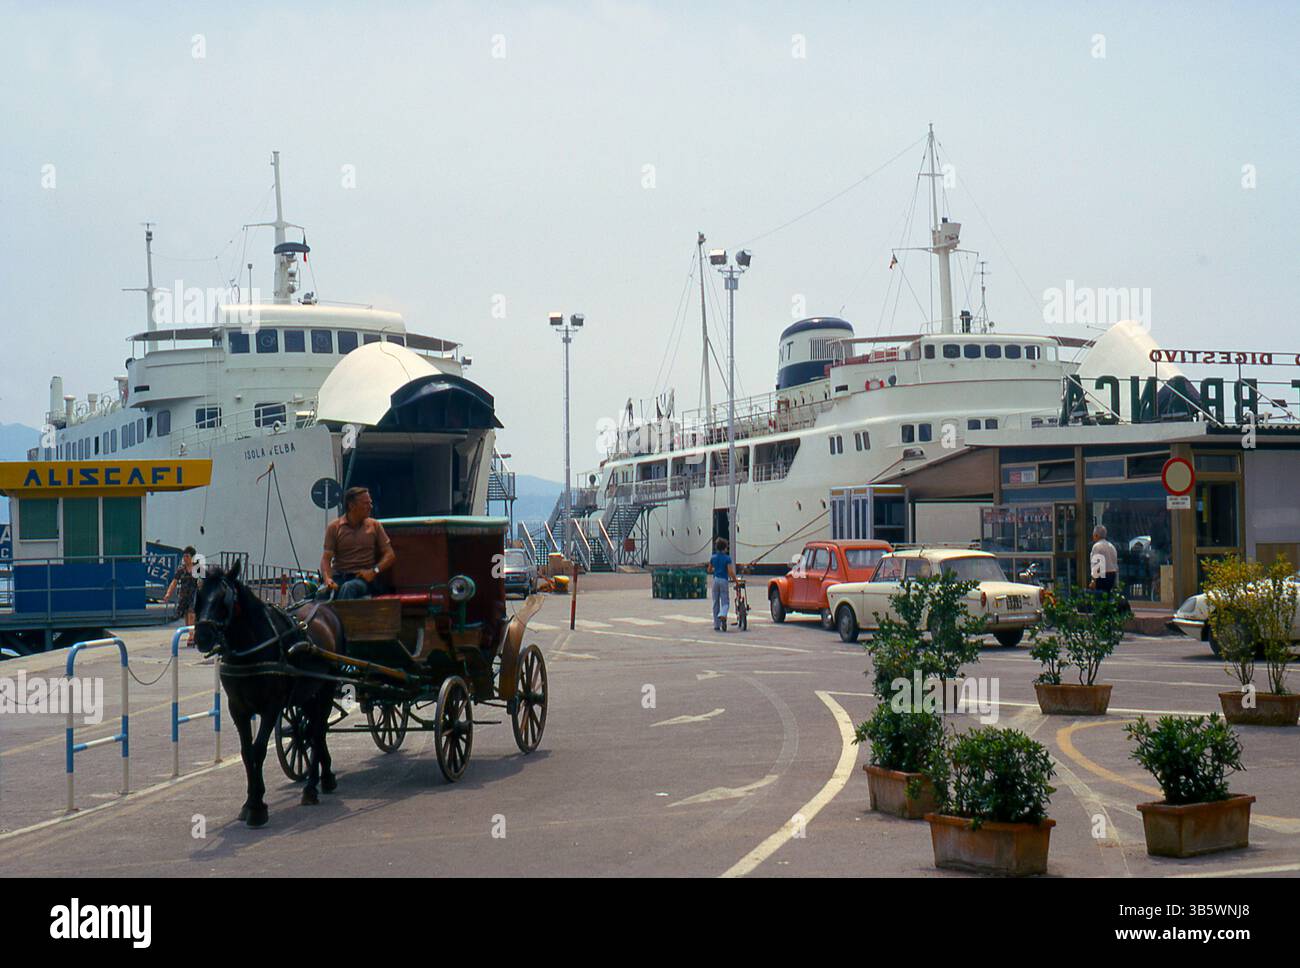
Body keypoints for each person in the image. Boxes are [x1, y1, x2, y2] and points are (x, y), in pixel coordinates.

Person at [321, 487, 396, 599]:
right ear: (352, 506)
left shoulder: (374, 525)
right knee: (318, 596)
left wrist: (373, 571)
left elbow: (390, 555)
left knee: (348, 588)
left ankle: (344, 617)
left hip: (363, 579)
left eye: (370, 503)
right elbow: (326, 558)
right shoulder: (334, 527)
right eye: (365, 503)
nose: (370, 507)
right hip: (339, 577)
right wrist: (327, 579)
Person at [162, 546, 199, 647]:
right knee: (187, 616)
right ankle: (191, 634)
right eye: (184, 556)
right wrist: (168, 594)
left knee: (192, 613)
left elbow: (204, 582)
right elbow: (174, 582)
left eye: (187, 556)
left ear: (192, 557)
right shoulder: (181, 570)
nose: (185, 558)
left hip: (195, 595)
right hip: (184, 595)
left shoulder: (198, 568)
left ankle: (192, 636)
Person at [709, 537, 737, 632]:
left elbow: (709, 570)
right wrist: (736, 580)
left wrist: (716, 569)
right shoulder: (727, 558)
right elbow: (730, 572)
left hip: (715, 580)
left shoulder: (713, 557)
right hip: (723, 580)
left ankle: (716, 624)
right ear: (725, 548)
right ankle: (723, 614)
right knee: (725, 601)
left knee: (715, 602)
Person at [1088, 525, 1119, 594]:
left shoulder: (1097, 546)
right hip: (1112, 576)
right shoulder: (1111, 546)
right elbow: (1115, 564)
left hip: (1102, 577)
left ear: (1096, 535)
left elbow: (1097, 565)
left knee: (1100, 598)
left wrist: (1093, 581)